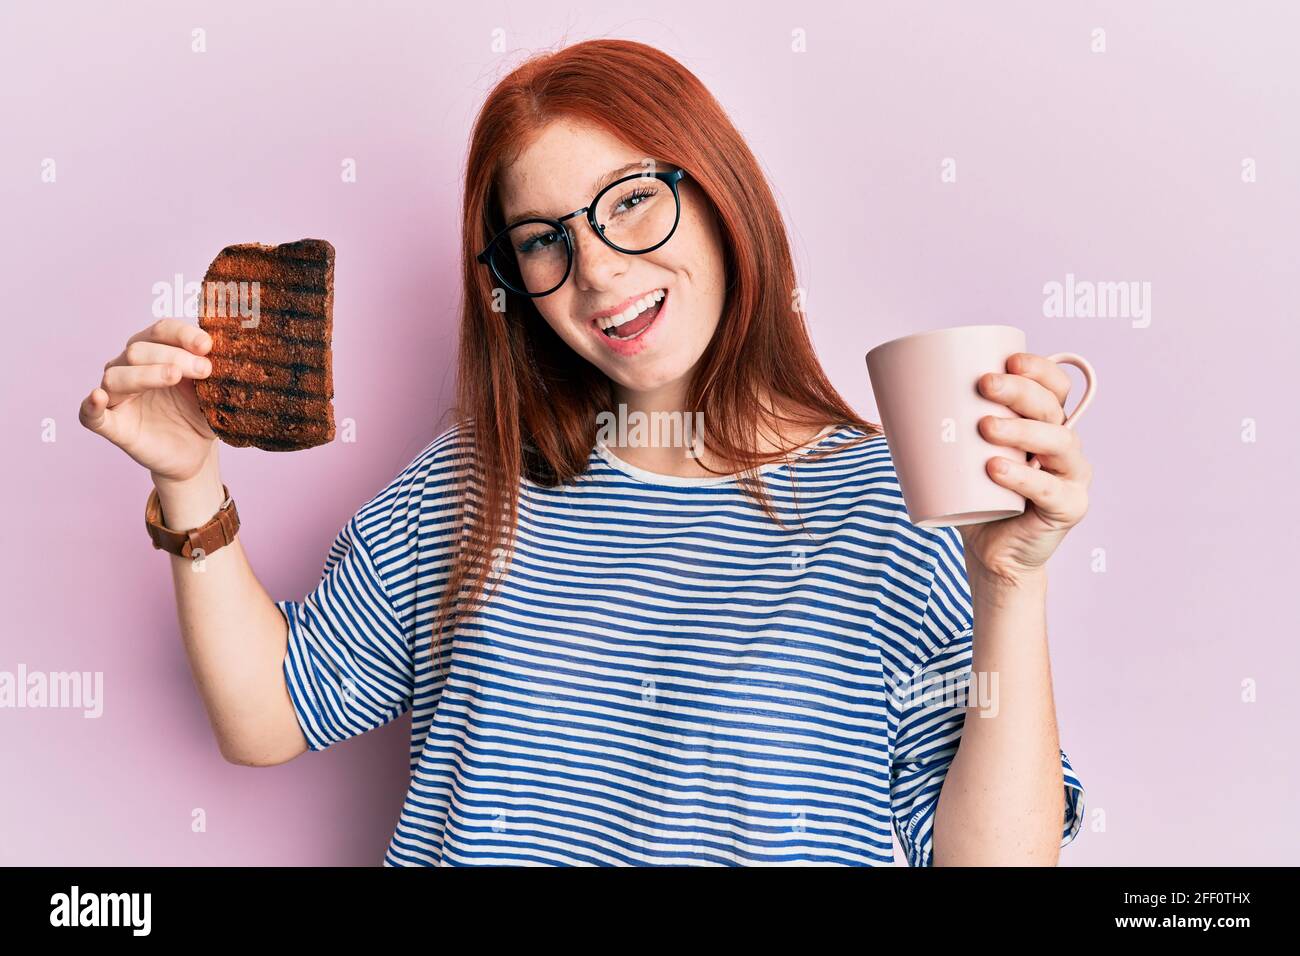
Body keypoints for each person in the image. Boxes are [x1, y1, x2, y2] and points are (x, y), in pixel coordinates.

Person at [78, 38, 1089, 866]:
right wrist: (188, 476)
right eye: (542, 238)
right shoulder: (478, 478)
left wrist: (1009, 588)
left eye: (632, 199)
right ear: (512, 279)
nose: (599, 271)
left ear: (720, 193)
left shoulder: (901, 503)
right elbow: (269, 716)